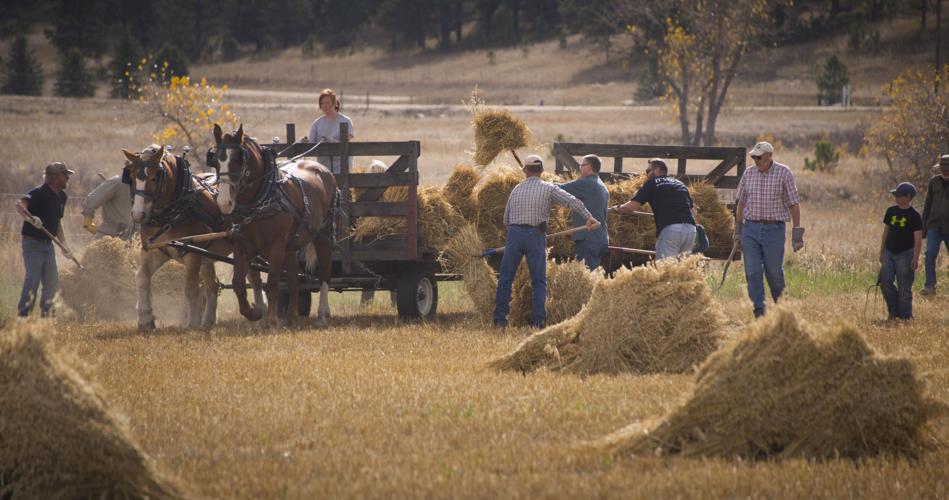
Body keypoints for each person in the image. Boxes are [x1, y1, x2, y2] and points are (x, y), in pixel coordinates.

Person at [494, 155, 598, 329]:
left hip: (514, 235)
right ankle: (538, 322)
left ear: (526, 171)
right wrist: (589, 217)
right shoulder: (548, 188)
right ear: (541, 171)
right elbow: (573, 201)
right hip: (535, 236)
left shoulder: (516, 189)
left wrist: (516, 232)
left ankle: (500, 321)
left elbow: (506, 219)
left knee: (505, 279)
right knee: (538, 281)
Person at [733, 141, 804, 318]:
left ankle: (782, 309)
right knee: (752, 271)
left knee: (773, 271)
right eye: (754, 157)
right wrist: (738, 230)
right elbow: (741, 202)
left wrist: (797, 233)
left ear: (769, 156)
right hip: (750, 228)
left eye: (759, 157)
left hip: (774, 229)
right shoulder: (749, 174)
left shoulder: (784, 172)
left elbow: (794, 204)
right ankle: (759, 312)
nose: (756, 160)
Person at [14, 162, 75, 318]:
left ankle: (47, 317)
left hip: (48, 245)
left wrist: (64, 245)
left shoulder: (62, 196)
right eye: (65, 175)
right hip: (32, 244)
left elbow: (57, 222)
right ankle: (23, 316)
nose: (68, 178)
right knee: (32, 280)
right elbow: (20, 206)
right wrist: (30, 218)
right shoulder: (38, 193)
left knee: (51, 282)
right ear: (55, 178)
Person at [613, 158, 697, 260]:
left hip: (671, 230)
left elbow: (631, 207)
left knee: (664, 269)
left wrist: (617, 208)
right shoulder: (680, 184)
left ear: (657, 170)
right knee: (681, 271)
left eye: (648, 171)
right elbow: (693, 212)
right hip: (690, 230)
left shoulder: (652, 183)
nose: (646, 174)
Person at [878, 182, 923, 320]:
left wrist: (915, 257)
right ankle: (893, 311)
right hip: (889, 252)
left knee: (904, 287)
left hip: (905, 254)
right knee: (885, 281)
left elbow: (918, 238)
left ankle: (905, 316)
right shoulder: (891, 211)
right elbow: (886, 231)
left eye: (899, 195)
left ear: (908, 197)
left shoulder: (914, 216)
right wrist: (882, 251)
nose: (896, 197)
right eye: (895, 194)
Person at [556, 154, 609, 270]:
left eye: (582, 165)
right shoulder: (602, 185)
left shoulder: (586, 183)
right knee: (592, 276)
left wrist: (538, 183)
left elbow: (556, 189)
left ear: (589, 167)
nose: (580, 167)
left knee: (587, 278)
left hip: (589, 238)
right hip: (600, 238)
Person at [306, 88, 355, 174]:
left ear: (334, 103)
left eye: (328, 103)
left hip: (341, 164)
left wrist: (333, 142)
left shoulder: (346, 121)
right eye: (322, 103)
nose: (325, 105)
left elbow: (347, 141)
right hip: (323, 165)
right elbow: (311, 144)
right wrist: (303, 143)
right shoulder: (317, 123)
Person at [920, 154, 949, 296]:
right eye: (943, 167)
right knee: (930, 254)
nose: (945, 170)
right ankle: (930, 287)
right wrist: (923, 225)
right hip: (934, 225)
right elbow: (927, 204)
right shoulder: (934, 182)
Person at [81, 172, 134, 240]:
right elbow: (91, 200)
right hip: (109, 236)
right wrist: (88, 222)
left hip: (132, 240)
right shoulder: (117, 182)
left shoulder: (144, 189)